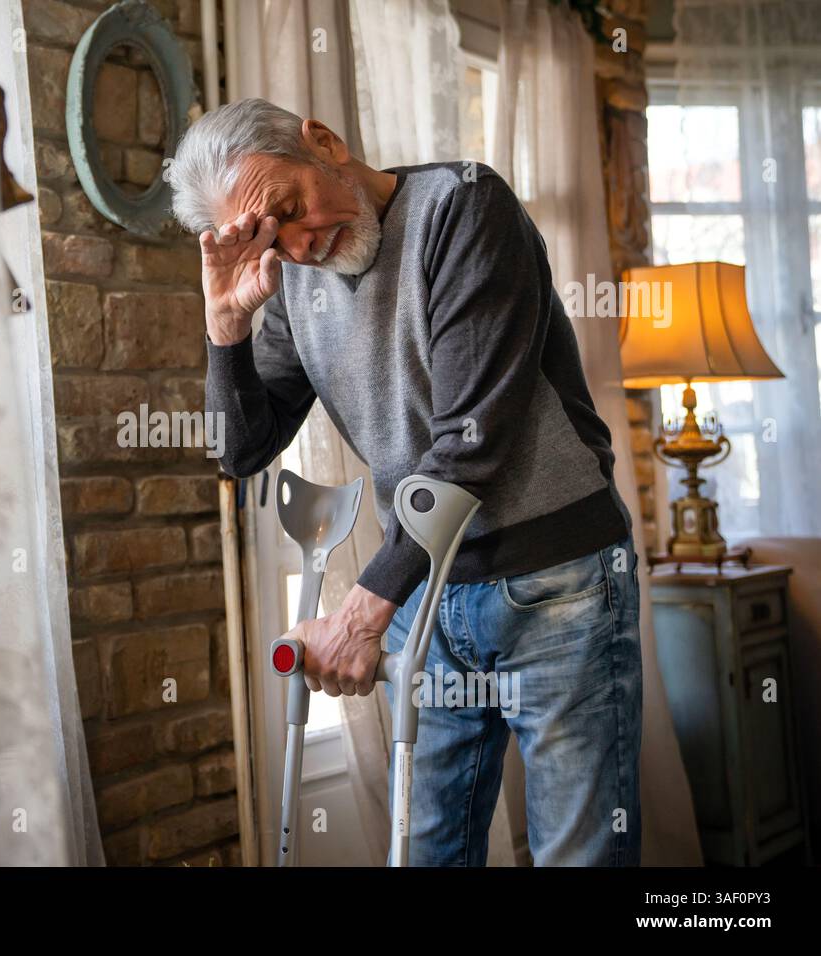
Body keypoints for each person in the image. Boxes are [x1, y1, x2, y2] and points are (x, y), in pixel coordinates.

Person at [168, 97, 642, 866]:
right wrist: (225, 330)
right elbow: (241, 451)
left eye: (289, 208)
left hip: (555, 581)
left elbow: (471, 443)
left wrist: (359, 617)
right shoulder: (292, 280)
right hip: (426, 588)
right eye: (269, 238)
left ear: (323, 141)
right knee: (426, 851)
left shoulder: (463, 208)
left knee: (579, 854)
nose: (299, 245)